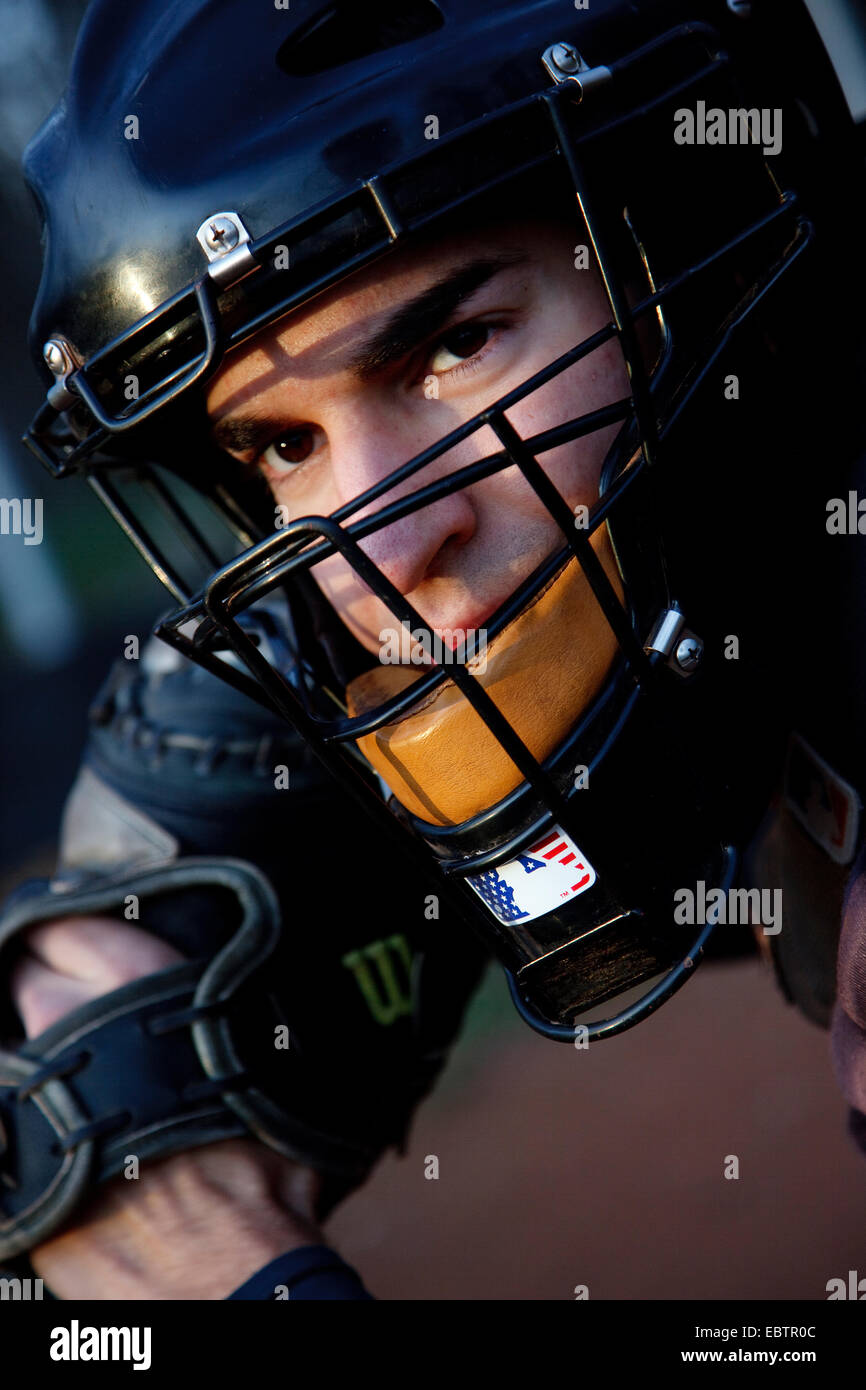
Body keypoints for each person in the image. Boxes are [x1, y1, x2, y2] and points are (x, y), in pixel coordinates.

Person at [1, 0, 865, 1299]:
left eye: (454, 347)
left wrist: (253, 1281)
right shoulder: (376, 625)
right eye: (283, 445)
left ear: (698, 247)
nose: (380, 556)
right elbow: (94, 1051)